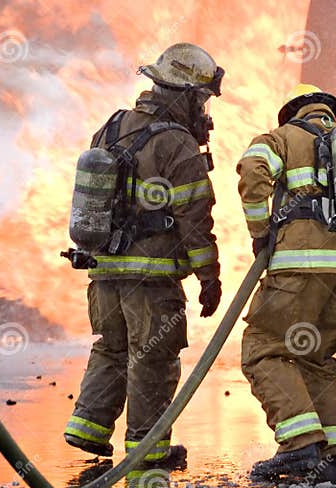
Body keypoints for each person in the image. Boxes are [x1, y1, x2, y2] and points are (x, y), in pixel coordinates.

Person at [64, 43, 223, 465]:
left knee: (112, 348)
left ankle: (88, 426)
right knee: (153, 358)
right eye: (201, 98)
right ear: (184, 94)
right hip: (150, 280)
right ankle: (148, 452)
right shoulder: (177, 143)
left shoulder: (112, 127)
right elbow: (194, 219)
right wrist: (209, 277)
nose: (204, 108)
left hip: (102, 272)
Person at [237, 84, 336, 483]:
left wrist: (261, 231)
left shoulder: (281, 137)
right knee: (317, 358)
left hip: (302, 264)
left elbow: (253, 171)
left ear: (292, 113)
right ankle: (334, 458)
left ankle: (300, 442)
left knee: (263, 349)